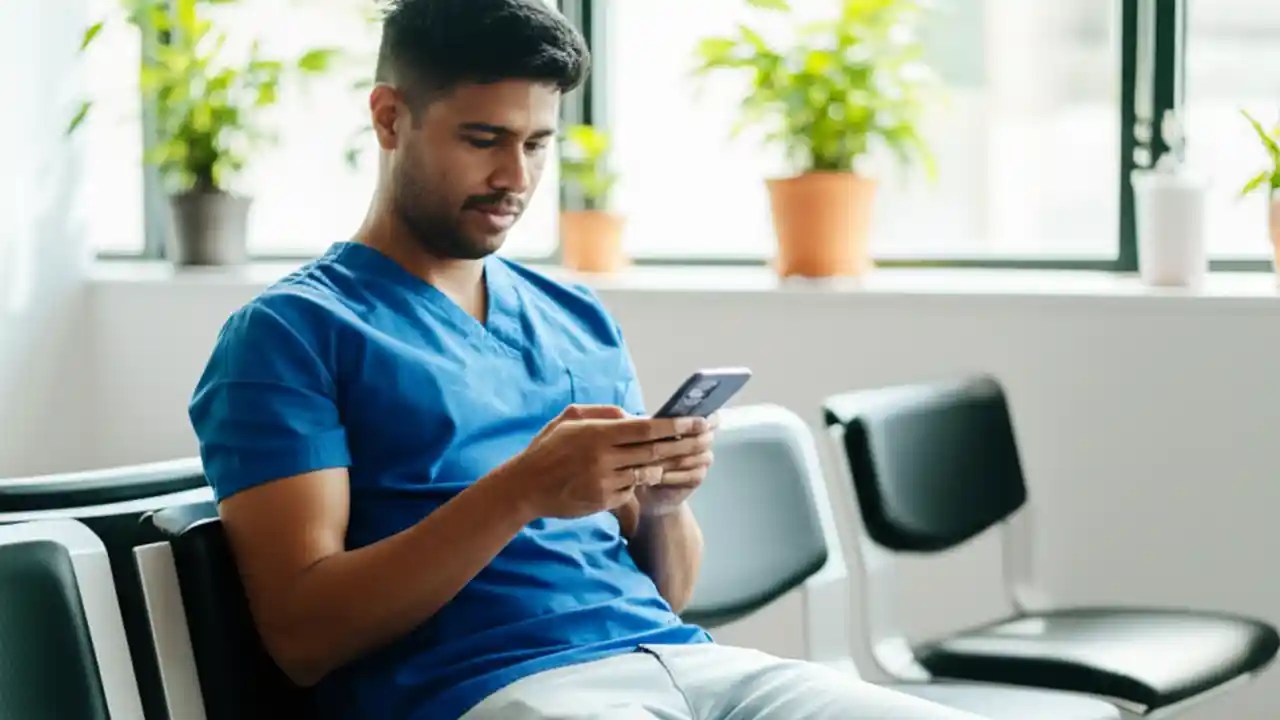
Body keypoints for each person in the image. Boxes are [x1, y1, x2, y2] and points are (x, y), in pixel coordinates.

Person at [188, 1, 984, 718]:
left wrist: (665, 505)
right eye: (483, 140)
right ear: (390, 118)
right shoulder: (290, 335)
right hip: (497, 691)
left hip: (687, 667)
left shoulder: (574, 316)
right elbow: (302, 635)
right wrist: (524, 489)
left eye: (538, 143)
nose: (516, 177)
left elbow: (666, 593)